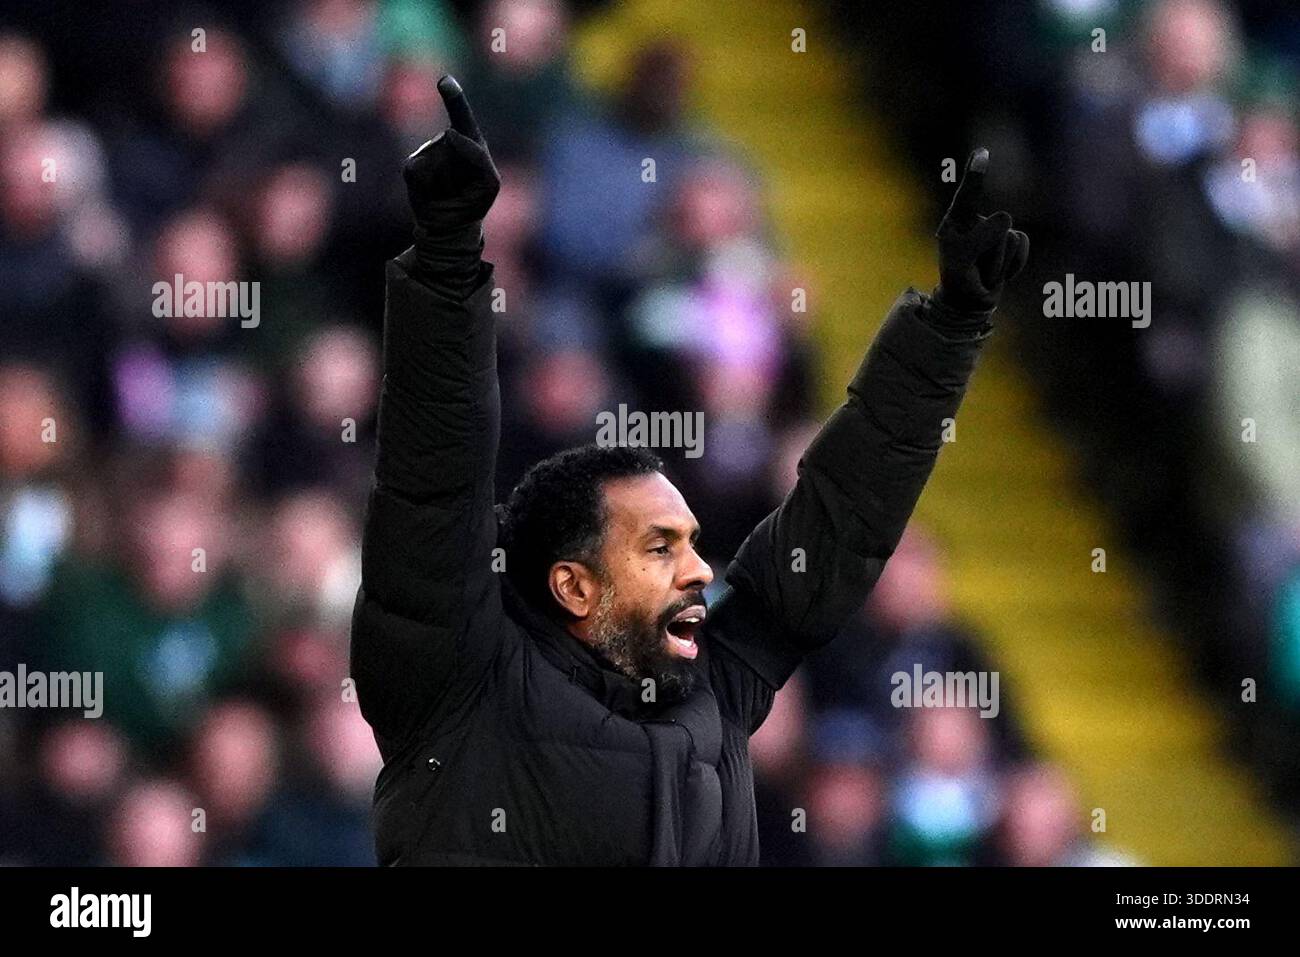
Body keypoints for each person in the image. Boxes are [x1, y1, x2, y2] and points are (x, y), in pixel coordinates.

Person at [349, 76, 1028, 865]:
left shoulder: (719, 687)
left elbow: (839, 518)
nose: (701, 568)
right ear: (574, 583)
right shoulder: (456, 686)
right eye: (661, 546)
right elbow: (433, 482)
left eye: (693, 542)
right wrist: (445, 258)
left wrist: (949, 328)